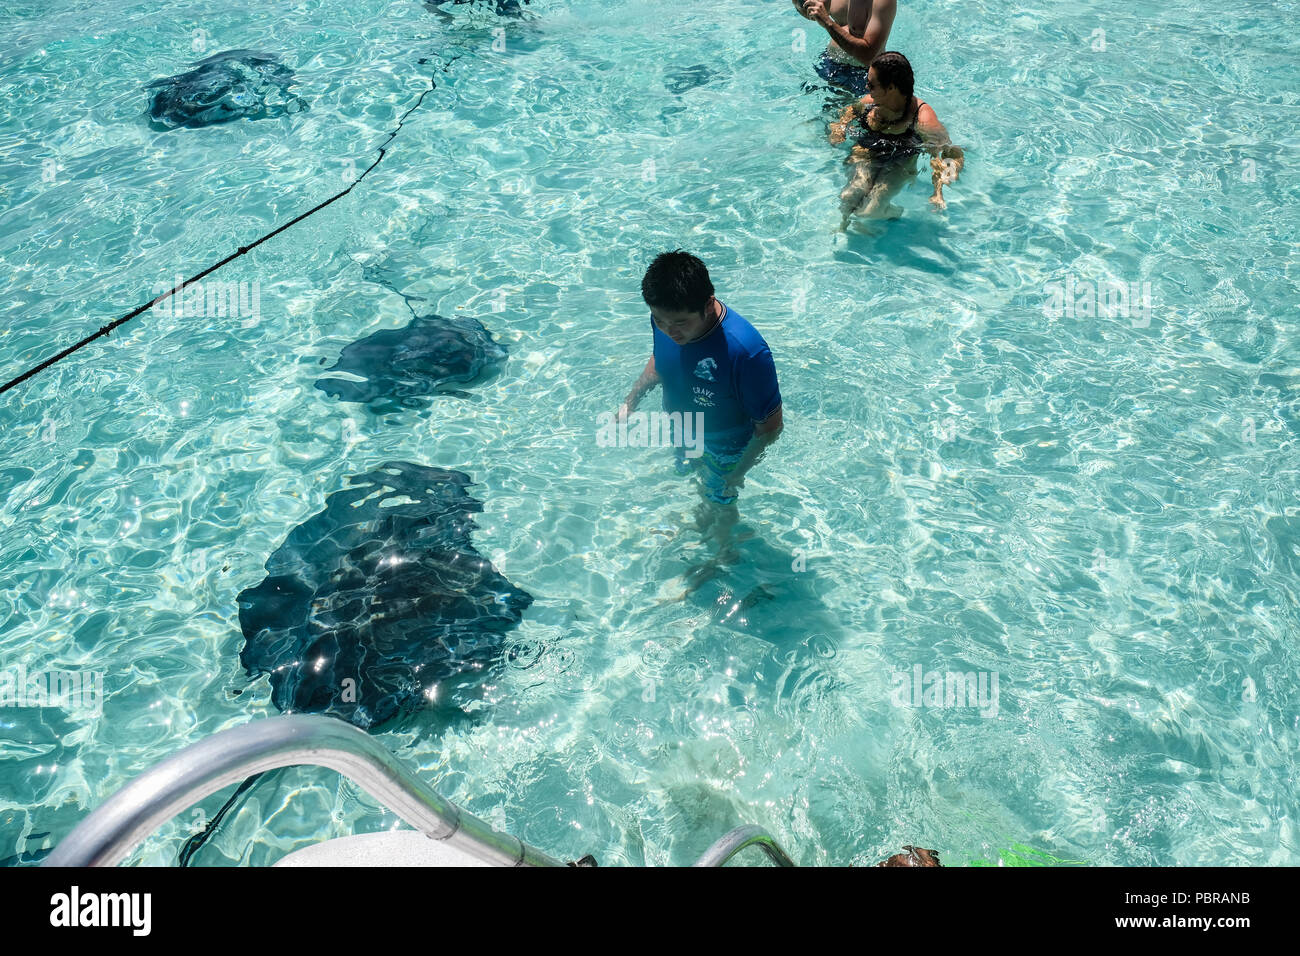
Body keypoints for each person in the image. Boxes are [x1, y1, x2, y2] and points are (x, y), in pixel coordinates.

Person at [619, 252, 783, 545]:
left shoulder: (746, 352)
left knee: (720, 502)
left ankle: (725, 554)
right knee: (695, 483)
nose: (670, 331)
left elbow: (770, 427)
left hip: (726, 443)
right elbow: (660, 359)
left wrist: (737, 472)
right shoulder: (665, 320)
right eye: (659, 320)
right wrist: (631, 401)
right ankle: (704, 524)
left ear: (708, 304)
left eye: (680, 323)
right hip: (682, 425)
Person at [828, 51, 963, 223]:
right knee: (847, 198)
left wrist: (939, 190)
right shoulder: (869, 103)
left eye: (871, 84)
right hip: (868, 152)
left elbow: (952, 154)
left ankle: (898, 213)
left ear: (891, 88)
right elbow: (847, 113)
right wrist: (838, 131)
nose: (866, 88)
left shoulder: (922, 119)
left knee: (869, 211)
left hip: (900, 162)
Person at [794, 0, 898, 97]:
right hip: (830, 63)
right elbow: (812, 8)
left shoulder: (882, 2)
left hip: (862, 76)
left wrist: (827, 22)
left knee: (843, 115)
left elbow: (868, 56)